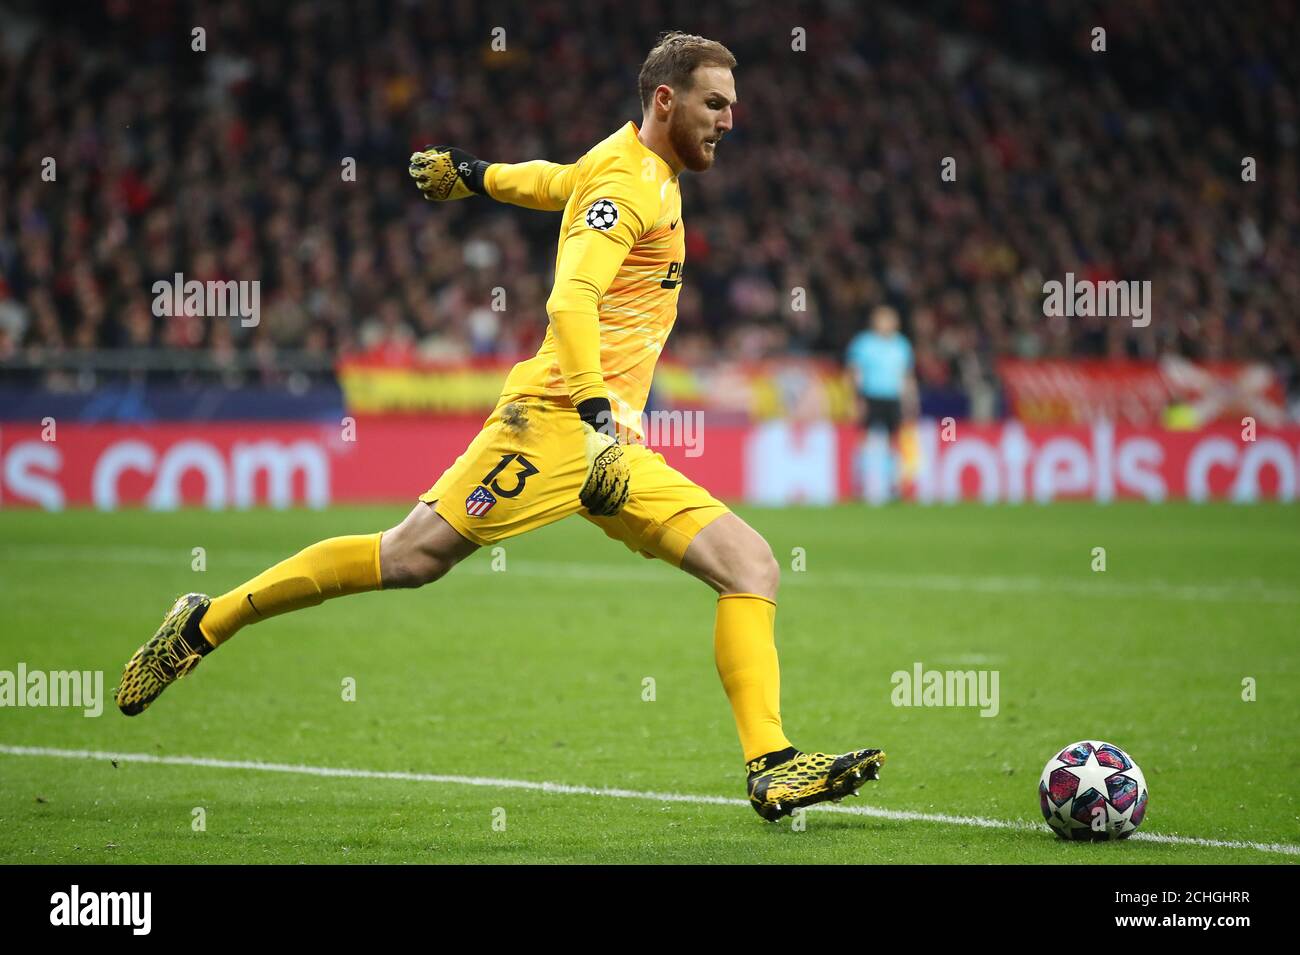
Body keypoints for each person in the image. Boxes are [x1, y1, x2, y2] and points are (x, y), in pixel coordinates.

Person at [114, 32, 883, 822]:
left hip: (605, 440)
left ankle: (773, 764)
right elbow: (568, 302)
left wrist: (474, 175)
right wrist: (597, 424)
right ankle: (205, 623)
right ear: (666, 100)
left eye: (732, 105)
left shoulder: (628, 167)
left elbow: (555, 182)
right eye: (715, 103)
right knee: (410, 557)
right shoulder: (632, 178)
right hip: (556, 423)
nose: (729, 120)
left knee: (750, 565)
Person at [846, 306, 917, 503]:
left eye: (890, 320)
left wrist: (910, 400)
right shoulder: (864, 344)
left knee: (894, 442)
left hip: (892, 398)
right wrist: (857, 398)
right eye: (882, 319)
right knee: (863, 440)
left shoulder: (902, 345)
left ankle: (895, 485)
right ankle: (858, 485)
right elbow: (855, 372)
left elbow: (906, 376)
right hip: (870, 396)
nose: (886, 324)